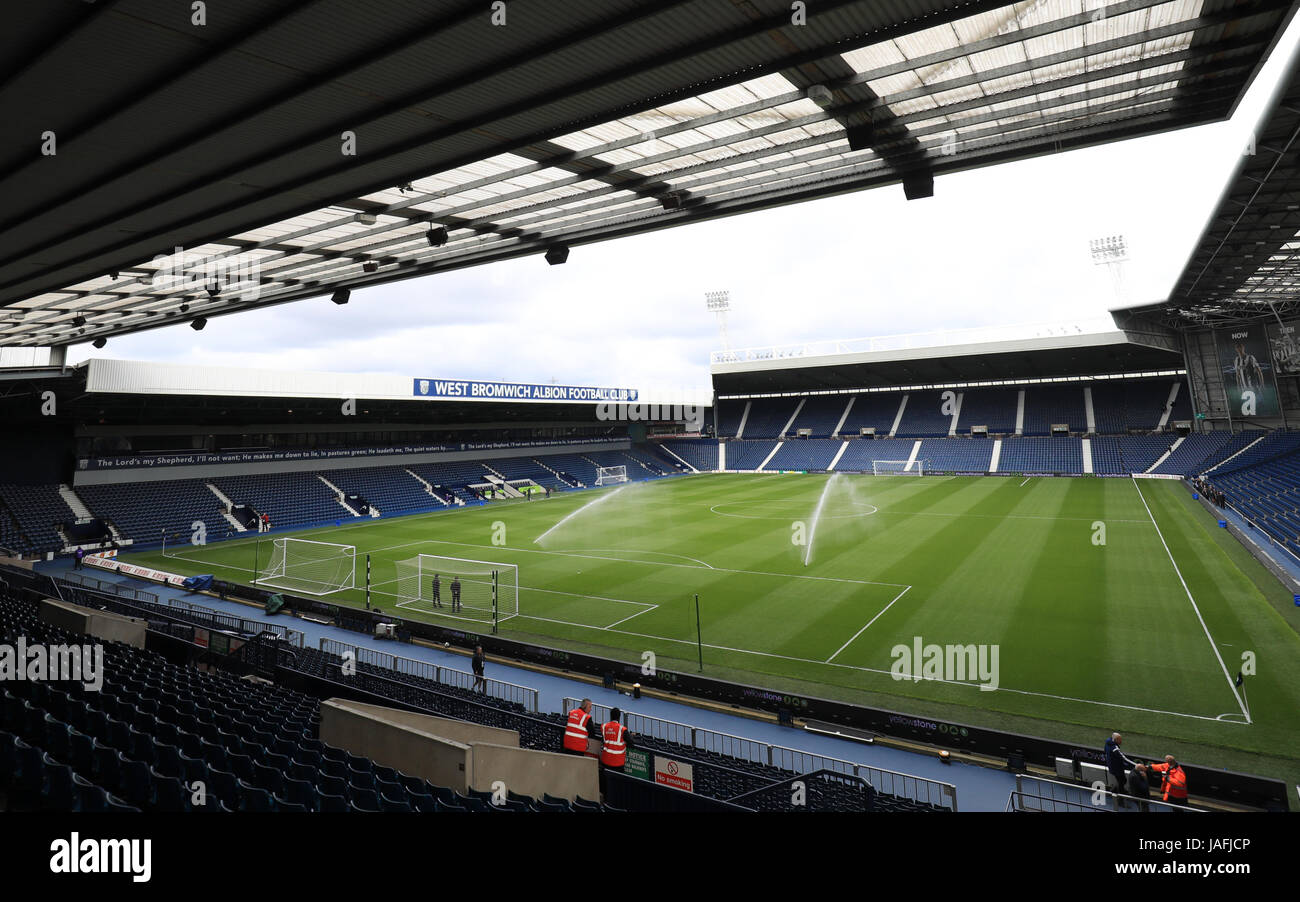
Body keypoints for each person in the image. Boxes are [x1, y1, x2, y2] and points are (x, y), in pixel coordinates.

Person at [599, 707, 634, 795]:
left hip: (605, 761)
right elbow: (631, 743)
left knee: (605, 787)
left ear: (611, 716)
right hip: (618, 764)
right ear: (619, 717)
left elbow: (605, 738)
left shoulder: (604, 727)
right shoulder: (623, 729)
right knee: (617, 787)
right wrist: (631, 736)